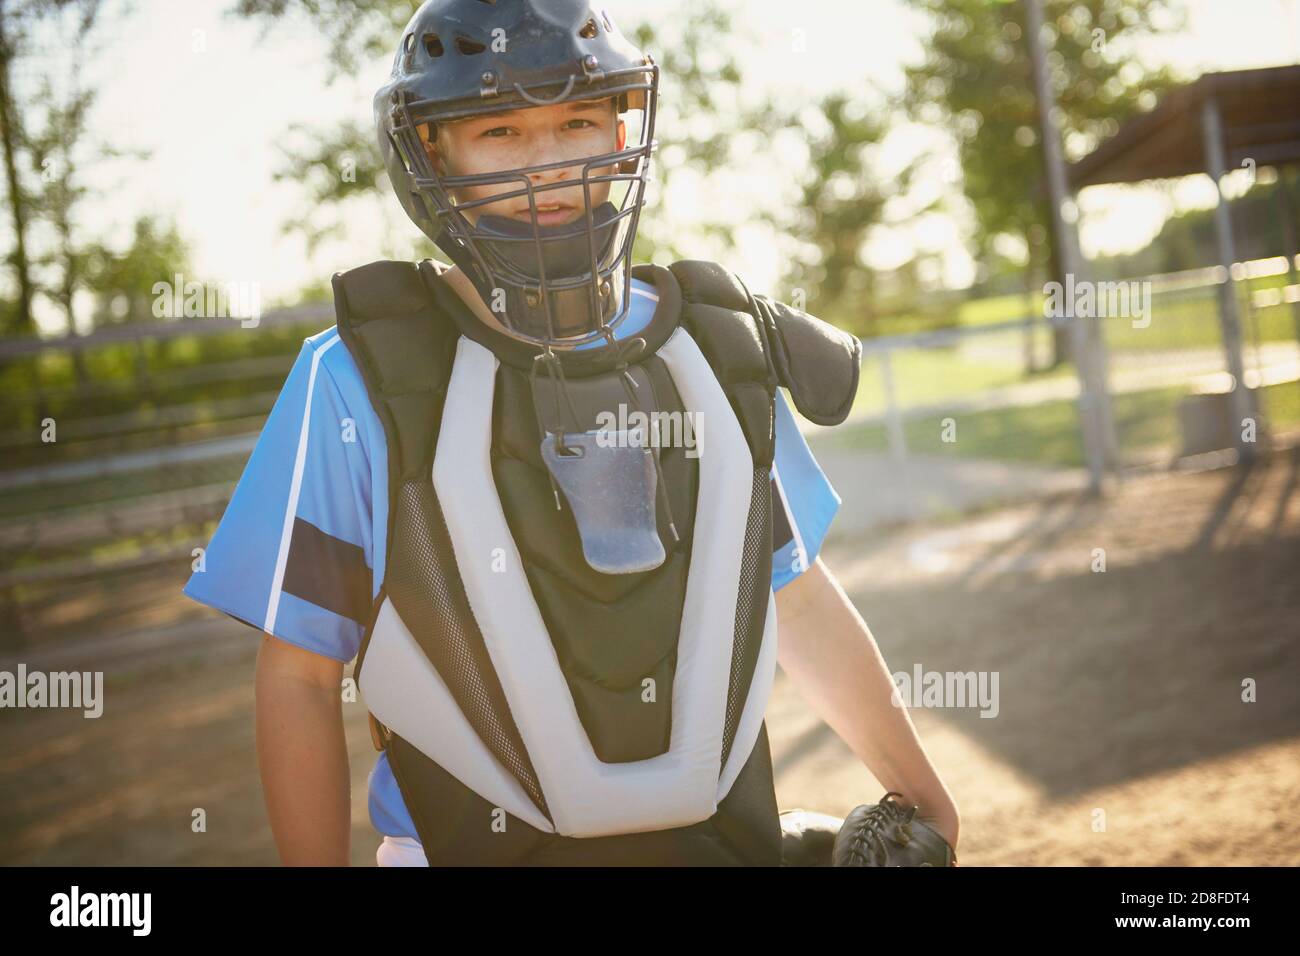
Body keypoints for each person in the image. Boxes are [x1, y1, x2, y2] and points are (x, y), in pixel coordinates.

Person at [183, 0, 959, 866]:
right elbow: (299, 676)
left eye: (578, 121)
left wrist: (928, 801)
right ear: (431, 150)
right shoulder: (356, 375)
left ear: (623, 128)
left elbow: (798, 594)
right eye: (499, 131)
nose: (547, 164)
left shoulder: (714, 349)